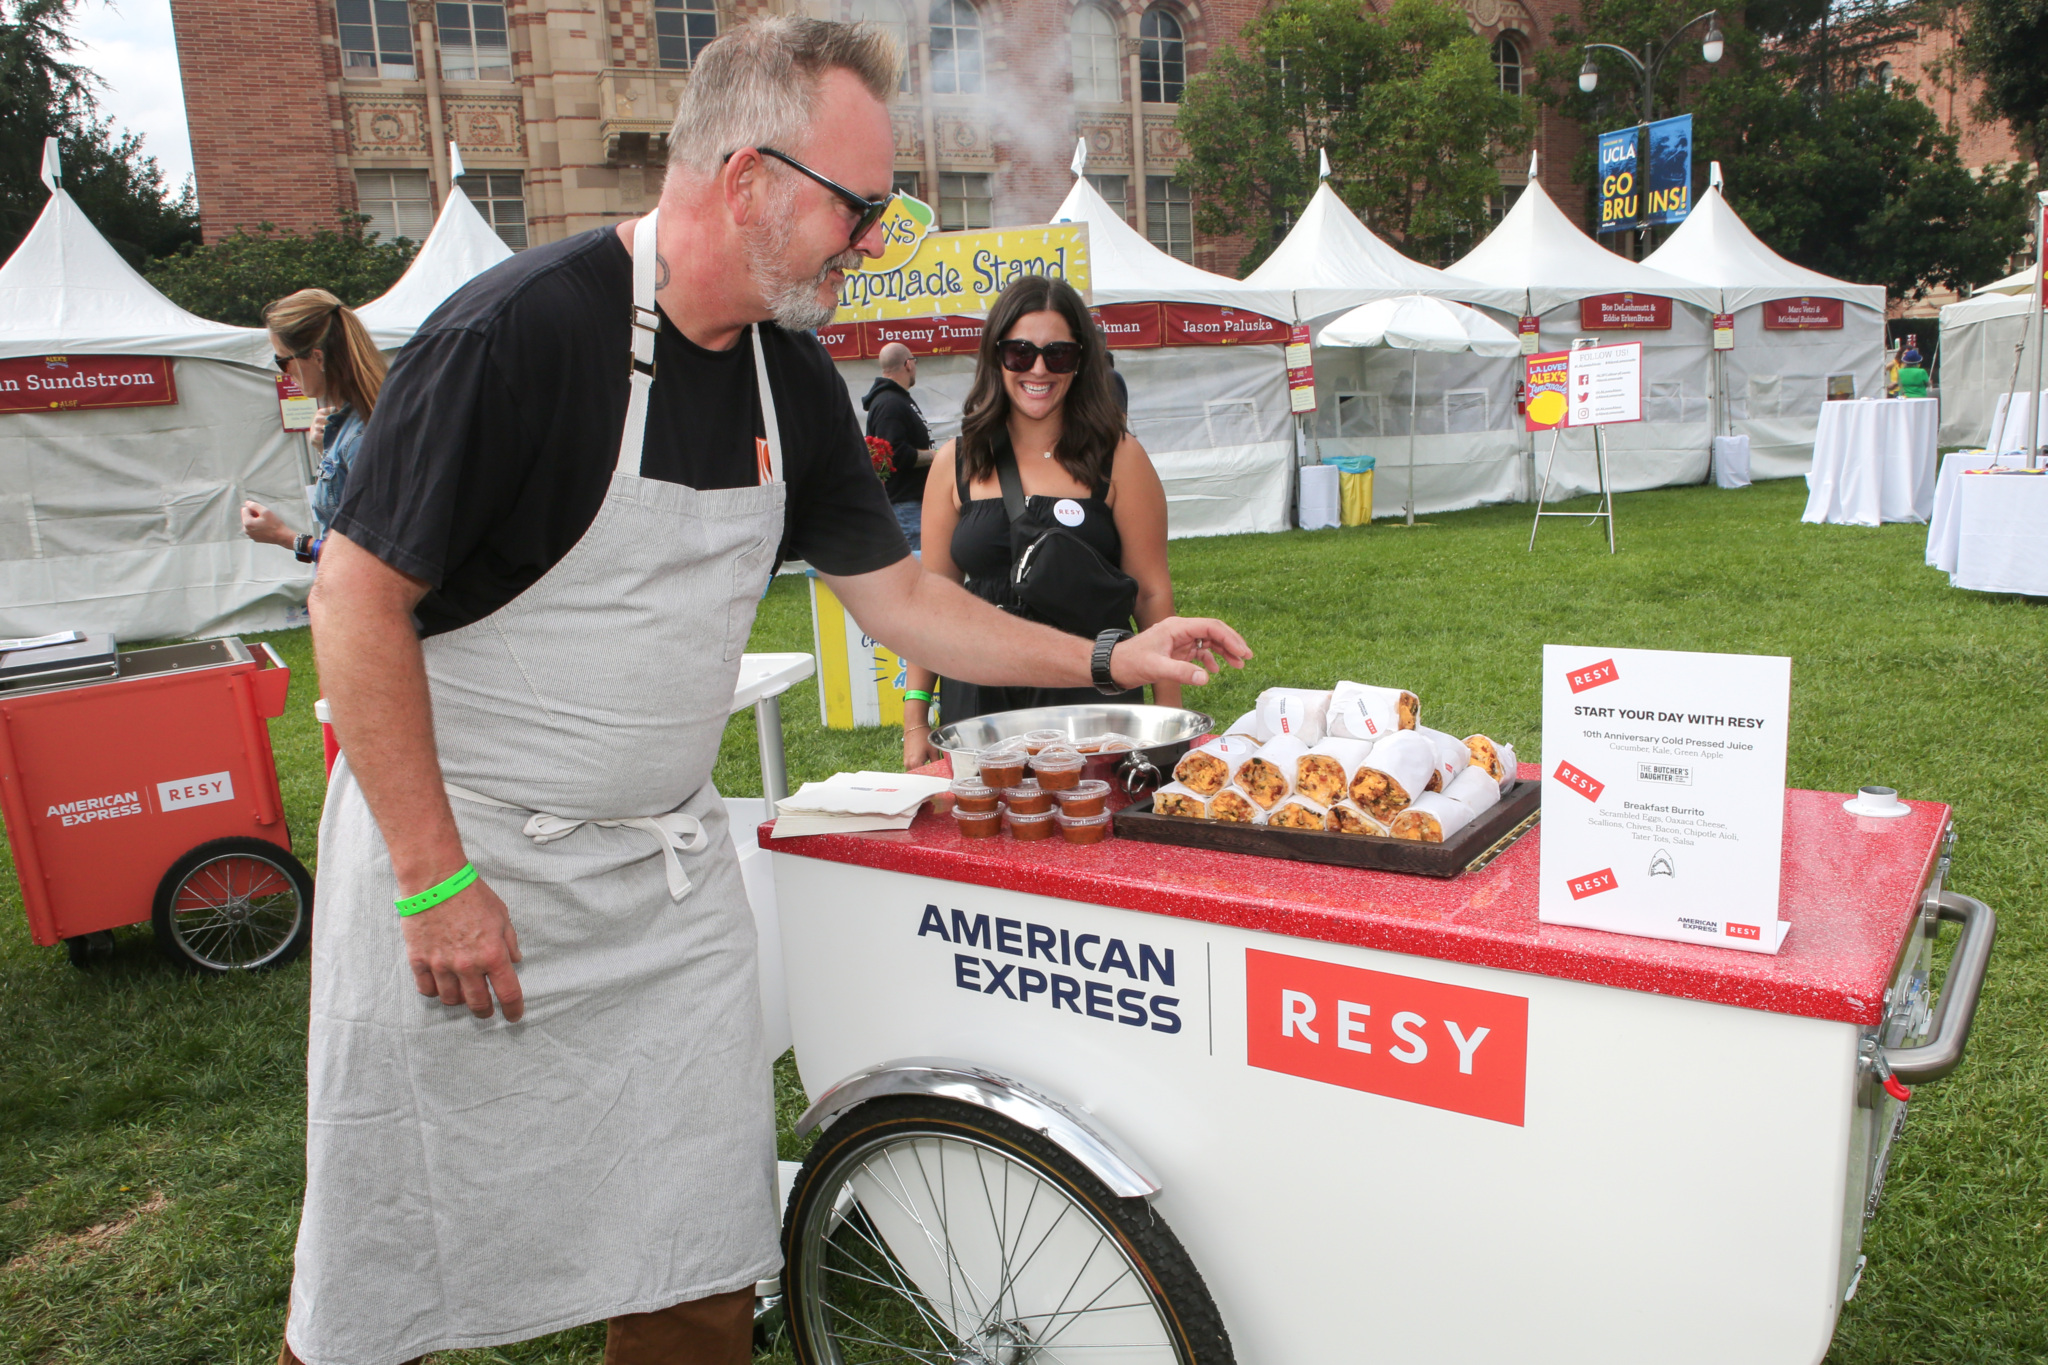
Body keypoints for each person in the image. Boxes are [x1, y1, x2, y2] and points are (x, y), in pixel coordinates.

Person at [286, 17, 1249, 1365]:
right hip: (461, 864)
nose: (871, 242)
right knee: (384, 1281)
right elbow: (354, 601)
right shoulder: (515, 337)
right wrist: (436, 877)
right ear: (749, 183)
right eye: (861, 209)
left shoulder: (787, 374)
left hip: (661, 894)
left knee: (696, 1262)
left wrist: (1106, 659)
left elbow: (903, 597)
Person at [901, 274, 1179, 769]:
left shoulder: (1120, 459)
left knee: (1094, 836)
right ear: (996, 356)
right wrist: (916, 719)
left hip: (1091, 697)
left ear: (1080, 362)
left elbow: (1152, 594)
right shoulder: (957, 462)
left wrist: (1170, 717)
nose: (1038, 368)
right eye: (1019, 352)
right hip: (980, 697)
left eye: (1059, 354)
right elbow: (931, 600)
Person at [239, 289, 386, 564]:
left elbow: (374, 561)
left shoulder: (361, 435)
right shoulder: (353, 425)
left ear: (317, 358)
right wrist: (325, 447)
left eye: (283, 360)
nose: (283, 372)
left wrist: (285, 537)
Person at [862, 340, 932, 548]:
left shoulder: (895, 400)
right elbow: (896, 454)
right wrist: (937, 455)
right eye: (915, 362)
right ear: (908, 364)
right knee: (914, 570)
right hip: (905, 505)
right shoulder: (890, 404)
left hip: (909, 504)